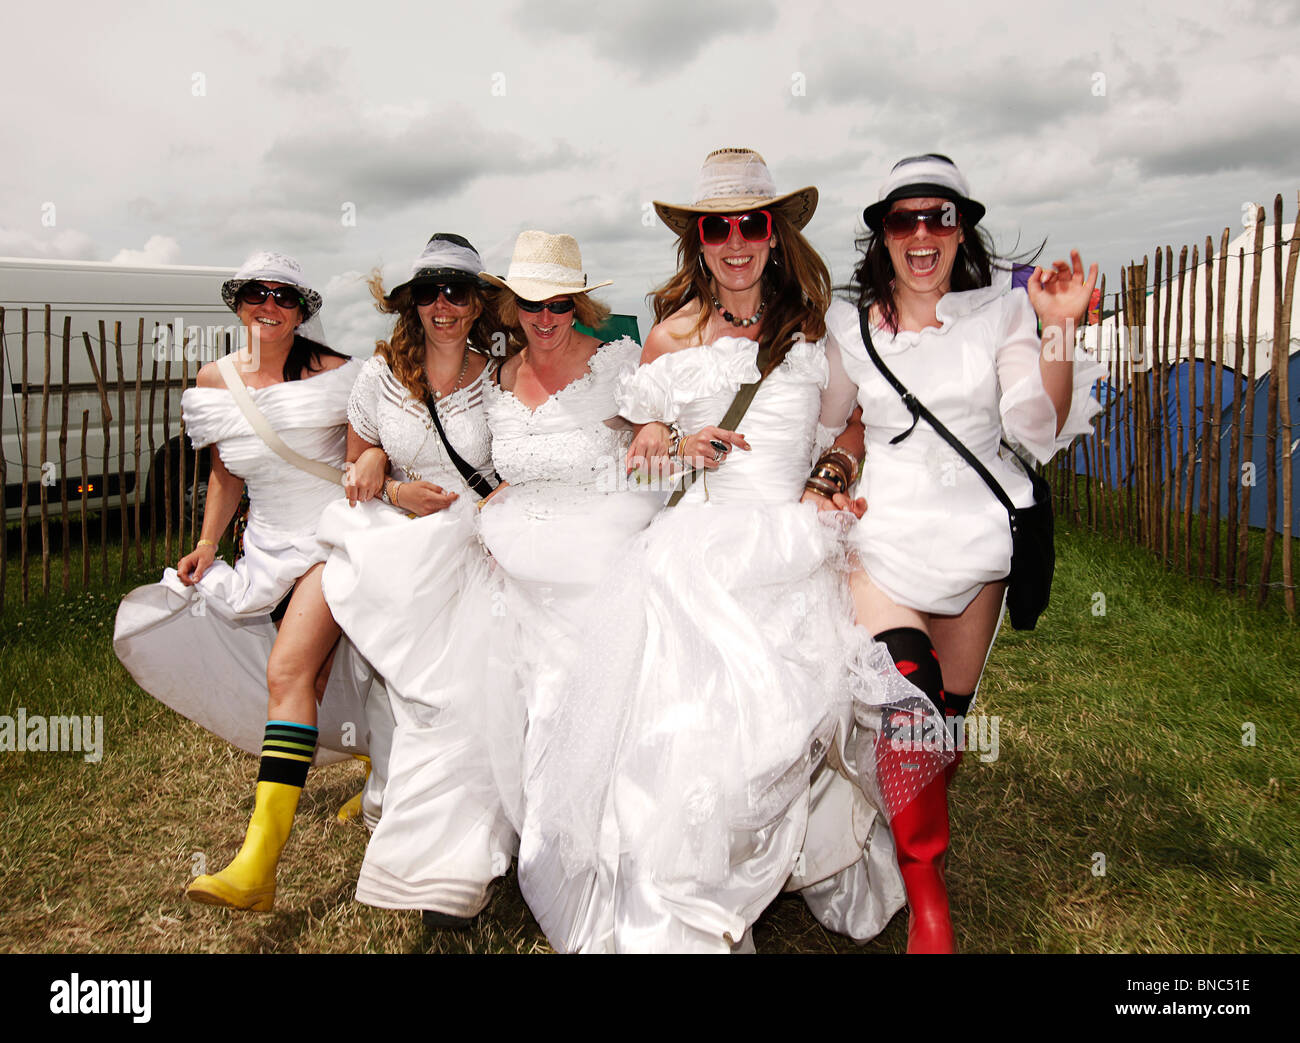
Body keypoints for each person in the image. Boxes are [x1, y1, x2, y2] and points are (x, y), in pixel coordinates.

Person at [530, 148, 932, 953]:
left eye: (754, 224)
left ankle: (780, 864)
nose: (738, 242)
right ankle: (682, 906)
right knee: (684, 740)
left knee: (781, 732)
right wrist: (677, 439)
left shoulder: (817, 328)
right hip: (694, 557)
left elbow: (850, 422)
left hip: (793, 545)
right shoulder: (670, 335)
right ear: (700, 240)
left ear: (775, 233)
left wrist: (832, 470)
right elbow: (639, 445)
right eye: (720, 227)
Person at [818, 154, 1103, 951]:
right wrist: (826, 472)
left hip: (976, 548)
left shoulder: (1000, 316)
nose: (921, 233)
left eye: (939, 217)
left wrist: (1058, 329)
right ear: (881, 234)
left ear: (961, 230)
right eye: (902, 218)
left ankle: (904, 822)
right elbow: (831, 417)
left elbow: (1036, 427)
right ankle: (929, 902)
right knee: (907, 699)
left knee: (940, 732)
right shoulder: (851, 327)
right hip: (883, 542)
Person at [113, 251, 379, 912]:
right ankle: (379, 770)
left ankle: (257, 865)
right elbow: (226, 473)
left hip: (333, 536)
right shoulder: (214, 379)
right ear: (238, 302)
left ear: (302, 308)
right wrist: (207, 543)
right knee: (322, 676)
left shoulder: (339, 374)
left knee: (289, 671)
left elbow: (366, 459)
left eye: (284, 296)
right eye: (257, 294)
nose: (270, 306)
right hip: (265, 549)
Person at [314, 233, 515, 924]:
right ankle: (399, 818)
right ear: (410, 303)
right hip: (404, 553)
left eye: (456, 291)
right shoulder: (378, 376)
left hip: (477, 556)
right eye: (428, 291)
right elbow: (359, 457)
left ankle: (465, 853)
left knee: (465, 699)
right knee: (401, 696)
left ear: (477, 302)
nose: (442, 305)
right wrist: (385, 482)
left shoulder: (502, 374)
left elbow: (524, 459)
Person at [472, 230, 664, 951]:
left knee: (565, 714)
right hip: (515, 570)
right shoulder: (496, 375)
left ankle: (573, 866)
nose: (544, 318)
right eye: (530, 304)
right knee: (498, 712)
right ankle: (487, 850)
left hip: (593, 572)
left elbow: (656, 430)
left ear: (577, 301)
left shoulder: (615, 362)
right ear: (511, 303)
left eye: (557, 304)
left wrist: (650, 426)